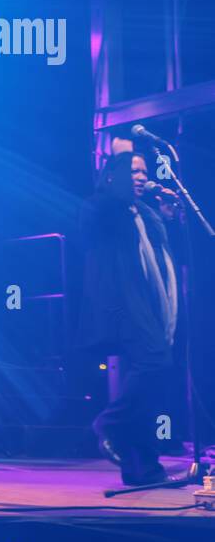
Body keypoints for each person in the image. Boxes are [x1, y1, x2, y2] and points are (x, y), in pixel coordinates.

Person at [78, 151, 179, 487]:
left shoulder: (144, 213)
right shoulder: (100, 207)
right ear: (113, 175)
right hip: (120, 305)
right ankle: (109, 424)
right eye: (132, 171)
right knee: (155, 364)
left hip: (147, 304)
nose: (140, 177)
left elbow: (157, 257)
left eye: (144, 171)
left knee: (153, 386)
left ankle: (143, 467)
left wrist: (164, 214)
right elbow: (105, 221)